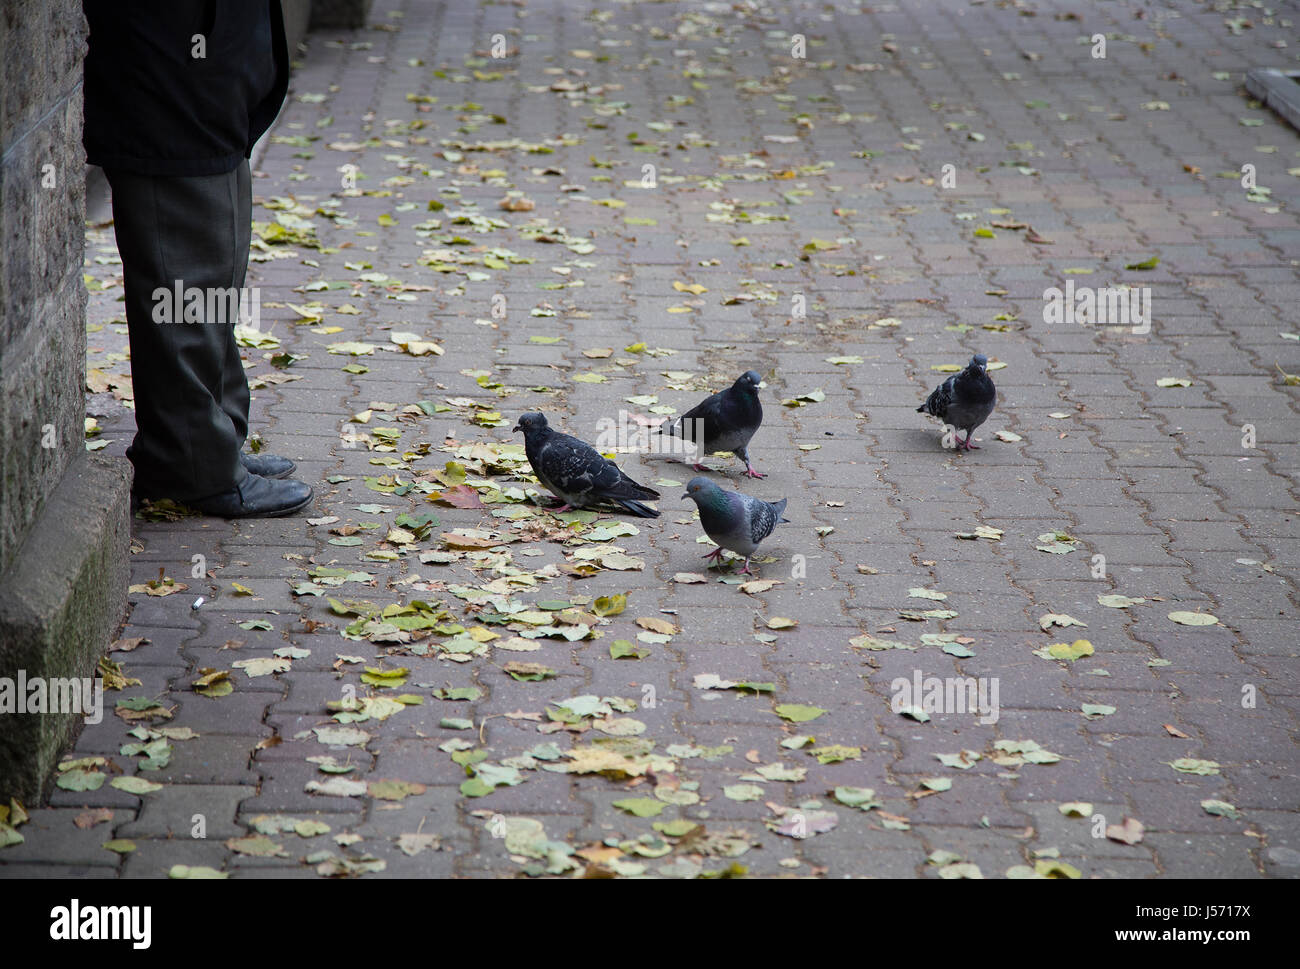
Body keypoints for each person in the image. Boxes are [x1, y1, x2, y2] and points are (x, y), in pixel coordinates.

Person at [82, 1, 313, 517]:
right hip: (169, 55)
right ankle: (190, 466)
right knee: (185, 275)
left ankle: (216, 440)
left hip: (205, 58)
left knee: (213, 266)